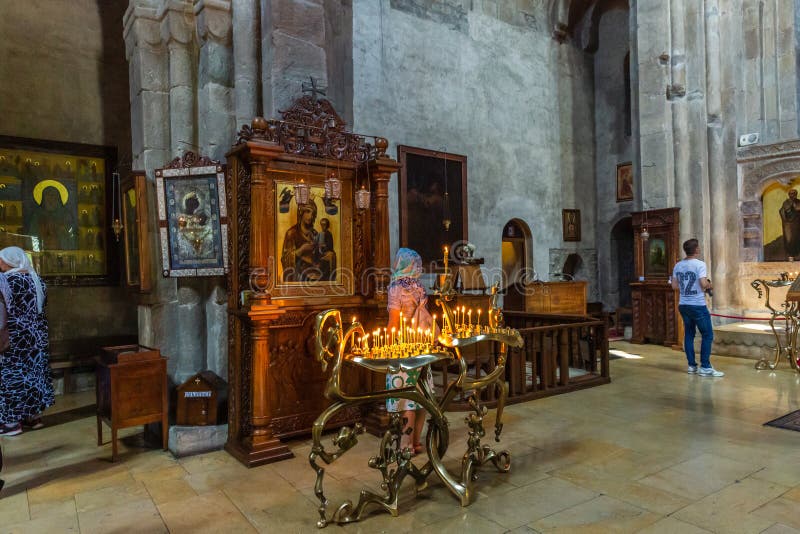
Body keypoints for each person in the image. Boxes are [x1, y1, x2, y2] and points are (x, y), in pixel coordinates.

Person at [385, 248, 435, 453]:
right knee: (421, 393)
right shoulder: (418, 286)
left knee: (406, 397)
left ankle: (405, 445)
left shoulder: (396, 288)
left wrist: (386, 346)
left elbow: (394, 322)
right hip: (421, 344)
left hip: (403, 346)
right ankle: (416, 442)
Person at [0, 247, 53, 436]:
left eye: (1, 259)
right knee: (33, 376)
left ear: (10, 261)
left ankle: (11, 424)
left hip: (14, 340)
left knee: (11, 378)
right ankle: (33, 417)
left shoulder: (5, 281)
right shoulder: (37, 280)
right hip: (36, 338)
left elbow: (2, 315)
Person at [671, 238, 723, 377]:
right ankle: (705, 367)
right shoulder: (699, 264)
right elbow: (703, 283)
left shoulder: (678, 265)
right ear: (696, 250)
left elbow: (674, 286)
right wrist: (709, 285)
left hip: (683, 304)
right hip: (697, 305)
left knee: (689, 334)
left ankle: (692, 366)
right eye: (698, 247)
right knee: (707, 334)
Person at [281, 201, 320, 282]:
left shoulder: (315, 233)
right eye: (307, 212)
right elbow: (285, 259)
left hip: (314, 274)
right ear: (301, 212)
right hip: (298, 276)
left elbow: (318, 256)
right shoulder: (292, 233)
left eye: (313, 214)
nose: (310, 216)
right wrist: (302, 249)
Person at [780, 189, 800, 258]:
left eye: (794, 193)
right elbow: (782, 211)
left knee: (797, 238)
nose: (792, 195)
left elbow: (798, 208)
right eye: (791, 194)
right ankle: (790, 254)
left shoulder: (798, 202)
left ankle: (796, 253)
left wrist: (795, 207)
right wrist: (785, 219)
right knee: (789, 239)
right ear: (789, 195)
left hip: (797, 224)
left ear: (796, 194)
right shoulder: (786, 202)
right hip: (788, 224)